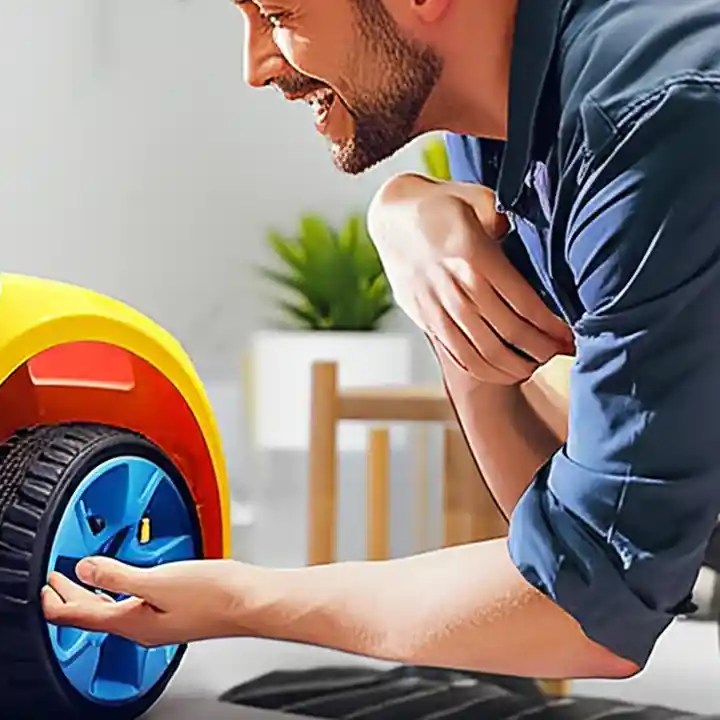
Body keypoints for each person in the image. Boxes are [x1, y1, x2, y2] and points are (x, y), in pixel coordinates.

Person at [41, 0, 720, 680]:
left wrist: (243, 600)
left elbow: (583, 610)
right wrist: (413, 226)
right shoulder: (501, 114)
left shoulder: (651, 119)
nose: (255, 67)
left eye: (279, 14)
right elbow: (563, 516)